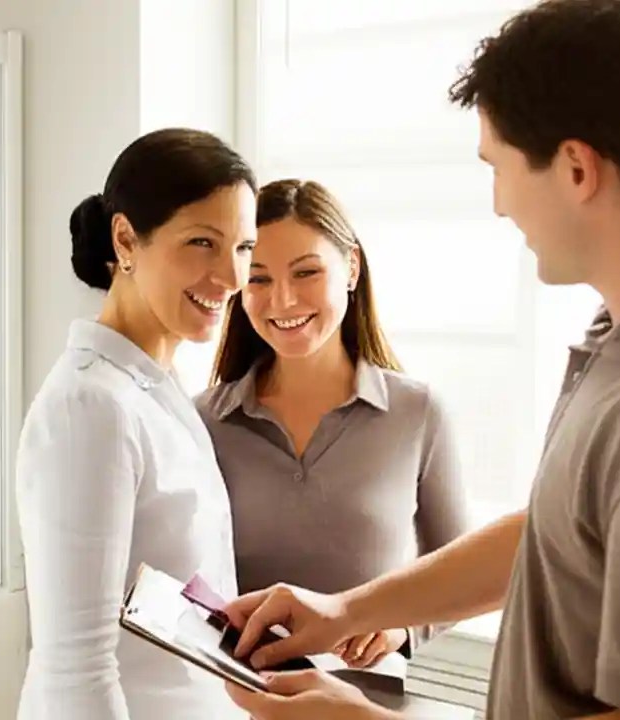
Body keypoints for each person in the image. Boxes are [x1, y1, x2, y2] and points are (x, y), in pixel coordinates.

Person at [221, 1, 620, 719]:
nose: (499, 203)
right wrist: (346, 608)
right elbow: (558, 528)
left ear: (575, 169)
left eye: (499, 166)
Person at [15, 128, 257, 720]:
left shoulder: (156, 390)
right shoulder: (91, 408)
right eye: (203, 242)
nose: (230, 277)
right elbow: (76, 670)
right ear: (126, 239)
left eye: (244, 248)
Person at [195, 178, 469, 674]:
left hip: (366, 704)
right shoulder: (204, 421)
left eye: (306, 273)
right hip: (237, 703)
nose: (282, 301)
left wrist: (401, 628)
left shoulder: (418, 413)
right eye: (257, 279)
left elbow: (463, 575)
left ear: (352, 269)